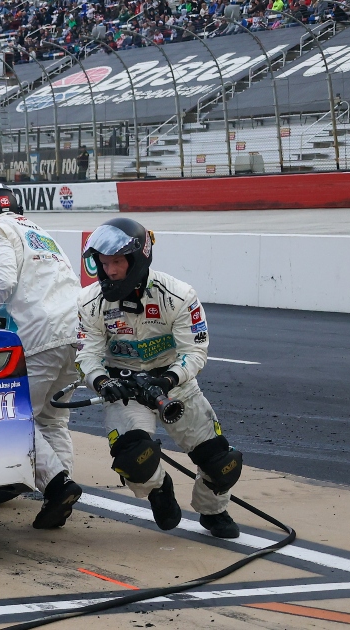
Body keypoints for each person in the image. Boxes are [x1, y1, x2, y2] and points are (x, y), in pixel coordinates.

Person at [76, 217, 243, 539]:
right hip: (125, 391)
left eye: (117, 262)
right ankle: (158, 488)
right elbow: (86, 354)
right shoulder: (88, 301)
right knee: (133, 458)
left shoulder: (179, 295)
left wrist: (166, 381)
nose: (109, 271)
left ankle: (213, 511)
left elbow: (195, 352)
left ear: (138, 258)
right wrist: (101, 382)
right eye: (103, 263)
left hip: (175, 386)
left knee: (222, 462)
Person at [0, 181, 84, 529]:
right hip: (77, 333)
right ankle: (59, 492)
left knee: (10, 417)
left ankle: (58, 486)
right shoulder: (38, 231)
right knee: (53, 421)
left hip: (38, 335)